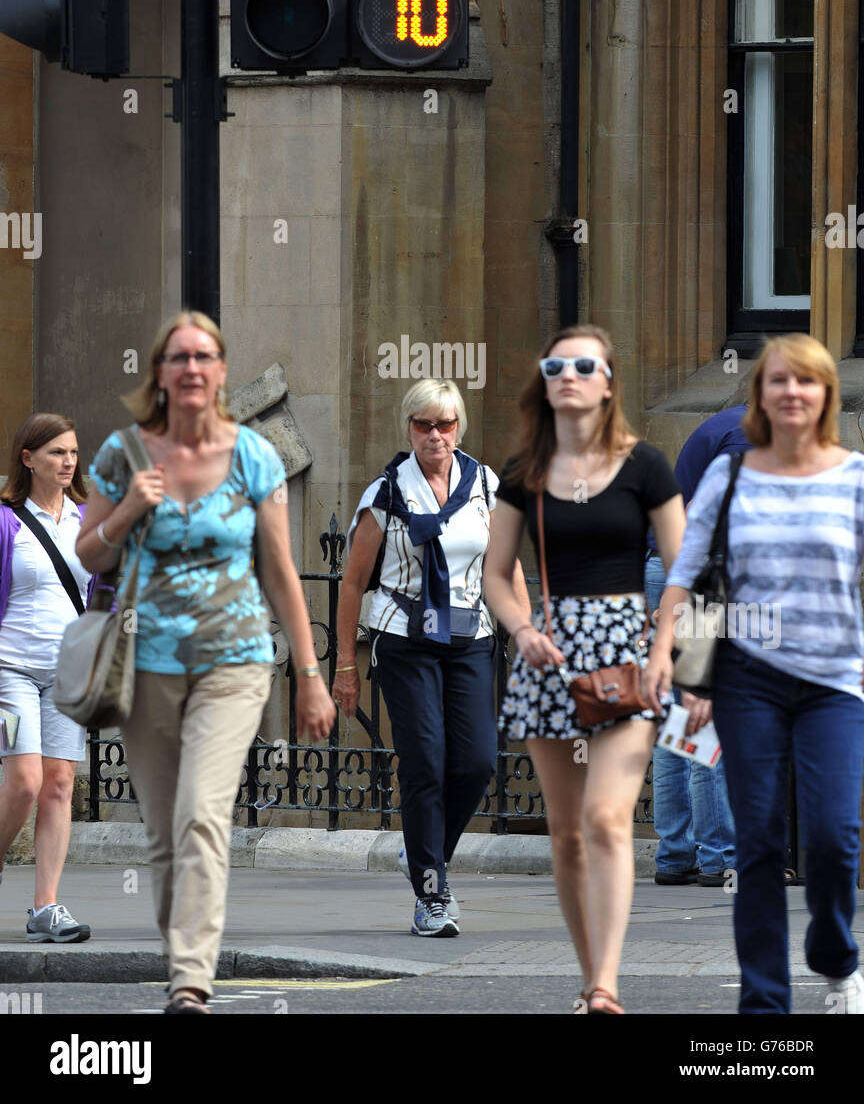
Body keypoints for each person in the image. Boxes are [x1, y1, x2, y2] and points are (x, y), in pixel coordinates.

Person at [77, 311, 335, 1014]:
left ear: (220, 372)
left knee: (200, 814)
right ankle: (182, 959)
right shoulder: (121, 453)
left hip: (235, 660)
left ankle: (191, 980)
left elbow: (281, 568)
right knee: (164, 831)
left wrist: (309, 674)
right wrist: (129, 508)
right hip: (146, 663)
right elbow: (89, 554)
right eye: (178, 357)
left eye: (205, 357)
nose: (191, 368)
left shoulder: (254, 456)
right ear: (159, 373)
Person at [646, 333, 864, 1015]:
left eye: (805, 382)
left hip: (834, 683)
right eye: (778, 382)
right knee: (759, 842)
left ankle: (836, 959)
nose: (791, 393)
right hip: (750, 682)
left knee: (832, 836)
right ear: (759, 395)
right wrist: (668, 655)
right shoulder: (731, 476)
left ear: (826, 394)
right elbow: (687, 569)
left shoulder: (855, 476)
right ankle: (764, 1008)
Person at [484, 325, 685, 1014]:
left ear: (607, 382)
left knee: (606, 819)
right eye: (556, 365)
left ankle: (607, 984)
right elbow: (494, 574)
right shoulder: (523, 475)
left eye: (583, 365)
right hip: (552, 653)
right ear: (544, 382)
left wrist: (664, 652)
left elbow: (685, 572)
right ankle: (588, 975)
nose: (568, 374)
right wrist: (521, 628)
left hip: (626, 654)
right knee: (566, 833)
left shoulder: (646, 466)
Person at [334, 378, 529, 938]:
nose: (435, 435)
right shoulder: (386, 494)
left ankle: (424, 855)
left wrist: (527, 628)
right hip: (404, 638)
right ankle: (431, 891)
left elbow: (506, 562)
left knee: (476, 760)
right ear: (408, 428)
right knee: (423, 758)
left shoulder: (486, 485)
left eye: (446, 424)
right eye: (424, 424)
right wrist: (345, 667)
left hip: (470, 636)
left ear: (459, 427)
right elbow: (351, 584)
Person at [0, 413, 92, 943]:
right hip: (10, 671)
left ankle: (46, 907)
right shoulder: (7, 520)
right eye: (57, 452)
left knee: (59, 784)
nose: (68, 462)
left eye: (74, 452)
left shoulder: (85, 520)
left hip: (68, 675)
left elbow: (105, 588)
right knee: (25, 781)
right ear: (28, 458)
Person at [645, 408, 742, 887]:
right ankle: (719, 855)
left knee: (676, 719)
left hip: (668, 568)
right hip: (697, 575)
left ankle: (675, 855)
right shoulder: (750, 437)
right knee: (703, 713)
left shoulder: (727, 425)